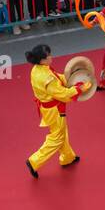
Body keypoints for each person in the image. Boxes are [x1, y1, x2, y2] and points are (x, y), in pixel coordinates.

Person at [25, 43, 89, 178]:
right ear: (42, 59)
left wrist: (70, 77)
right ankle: (34, 161)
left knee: (61, 132)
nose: (51, 57)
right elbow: (63, 94)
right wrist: (79, 88)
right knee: (57, 137)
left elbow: (57, 78)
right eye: (48, 56)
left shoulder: (37, 69)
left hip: (48, 108)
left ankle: (67, 157)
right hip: (55, 110)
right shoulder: (46, 78)